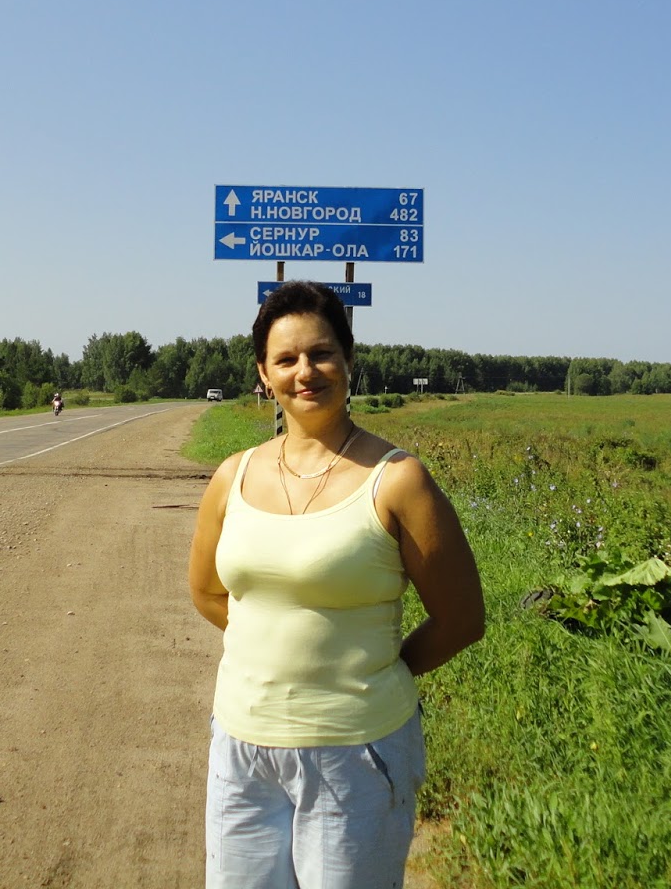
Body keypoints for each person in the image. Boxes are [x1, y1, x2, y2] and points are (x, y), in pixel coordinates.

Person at [188, 280, 485, 889]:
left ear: (349, 359)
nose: (305, 371)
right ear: (263, 374)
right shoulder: (231, 476)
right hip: (240, 748)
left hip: (357, 751)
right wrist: (274, 653)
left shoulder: (398, 480)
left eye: (321, 353)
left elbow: (462, 618)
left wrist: (376, 669)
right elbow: (208, 592)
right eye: (286, 359)